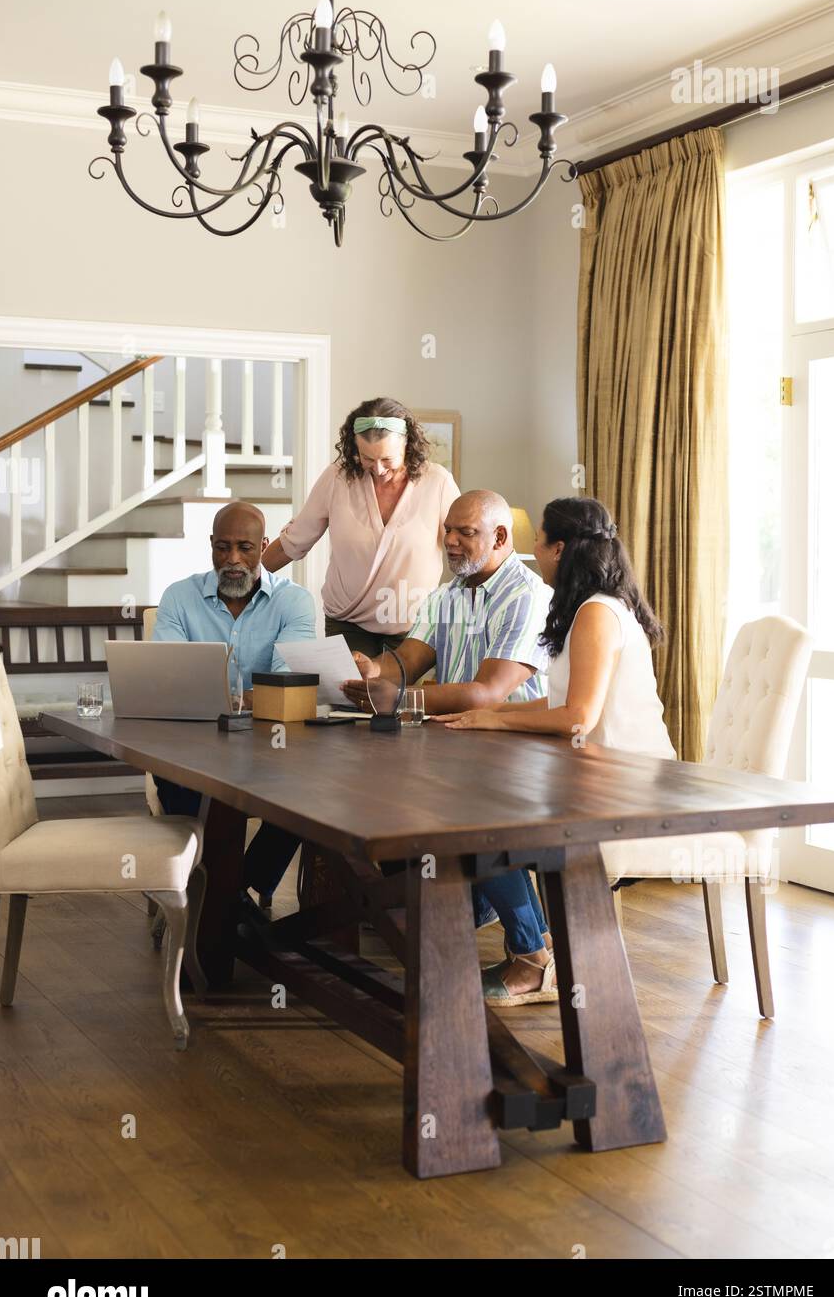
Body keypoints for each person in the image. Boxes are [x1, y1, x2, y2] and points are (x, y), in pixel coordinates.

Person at [435, 496, 676, 1006]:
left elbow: (576, 719)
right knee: (475, 798)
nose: (535, 552)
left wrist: (496, 722)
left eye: (540, 542)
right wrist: (493, 717)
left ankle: (531, 956)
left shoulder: (595, 613)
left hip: (625, 782)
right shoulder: (593, 608)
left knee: (478, 809)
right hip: (597, 768)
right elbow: (567, 703)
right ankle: (507, 928)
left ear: (559, 549)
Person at [152, 501, 317, 906]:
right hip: (195, 744)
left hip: (270, 744)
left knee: (312, 794)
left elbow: (286, 685)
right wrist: (247, 696)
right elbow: (169, 676)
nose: (233, 560)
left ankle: (232, 891)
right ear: (210, 545)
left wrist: (220, 695)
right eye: (222, 547)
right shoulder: (178, 597)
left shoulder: (294, 602)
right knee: (178, 778)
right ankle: (220, 895)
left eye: (245, 547)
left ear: (264, 546)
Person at [262, 397, 460, 657]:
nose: (377, 469)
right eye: (367, 458)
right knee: (351, 696)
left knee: (401, 697)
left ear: (408, 445)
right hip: (348, 622)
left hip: (413, 626)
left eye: (387, 459)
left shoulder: (438, 482)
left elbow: (464, 544)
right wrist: (246, 578)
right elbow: (294, 542)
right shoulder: (337, 478)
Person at [340, 490, 551, 713]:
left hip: (512, 742)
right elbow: (407, 660)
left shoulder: (527, 598)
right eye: (448, 529)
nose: (450, 540)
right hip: (453, 734)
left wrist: (399, 697)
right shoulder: (444, 596)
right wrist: (372, 669)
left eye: (466, 532)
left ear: (499, 537)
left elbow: (487, 694)